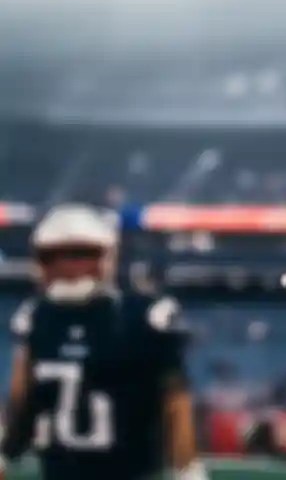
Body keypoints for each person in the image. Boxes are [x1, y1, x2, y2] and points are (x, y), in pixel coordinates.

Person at [0, 204, 206, 480]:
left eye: (81, 255)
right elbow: (23, 405)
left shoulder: (38, 317)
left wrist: (186, 468)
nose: (69, 267)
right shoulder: (38, 317)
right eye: (56, 257)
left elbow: (175, 402)